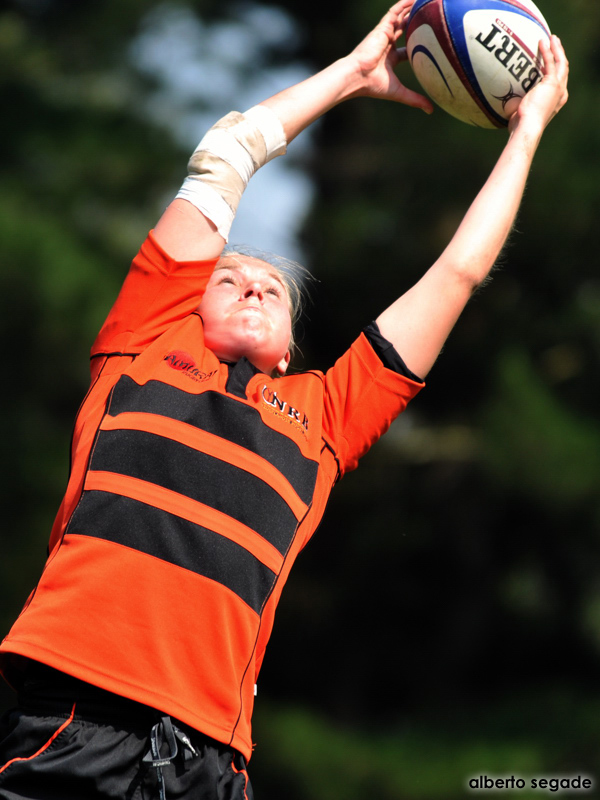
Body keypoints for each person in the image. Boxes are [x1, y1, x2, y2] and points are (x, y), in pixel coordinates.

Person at [0, 1, 568, 798]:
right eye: (229, 277)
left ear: (290, 344)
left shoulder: (327, 418)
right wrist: (351, 76)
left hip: (208, 756)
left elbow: (457, 274)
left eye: (272, 287)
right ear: (190, 303)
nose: (254, 284)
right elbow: (225, 157)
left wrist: (528, 131)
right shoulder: (145, 341)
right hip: (73, 713)